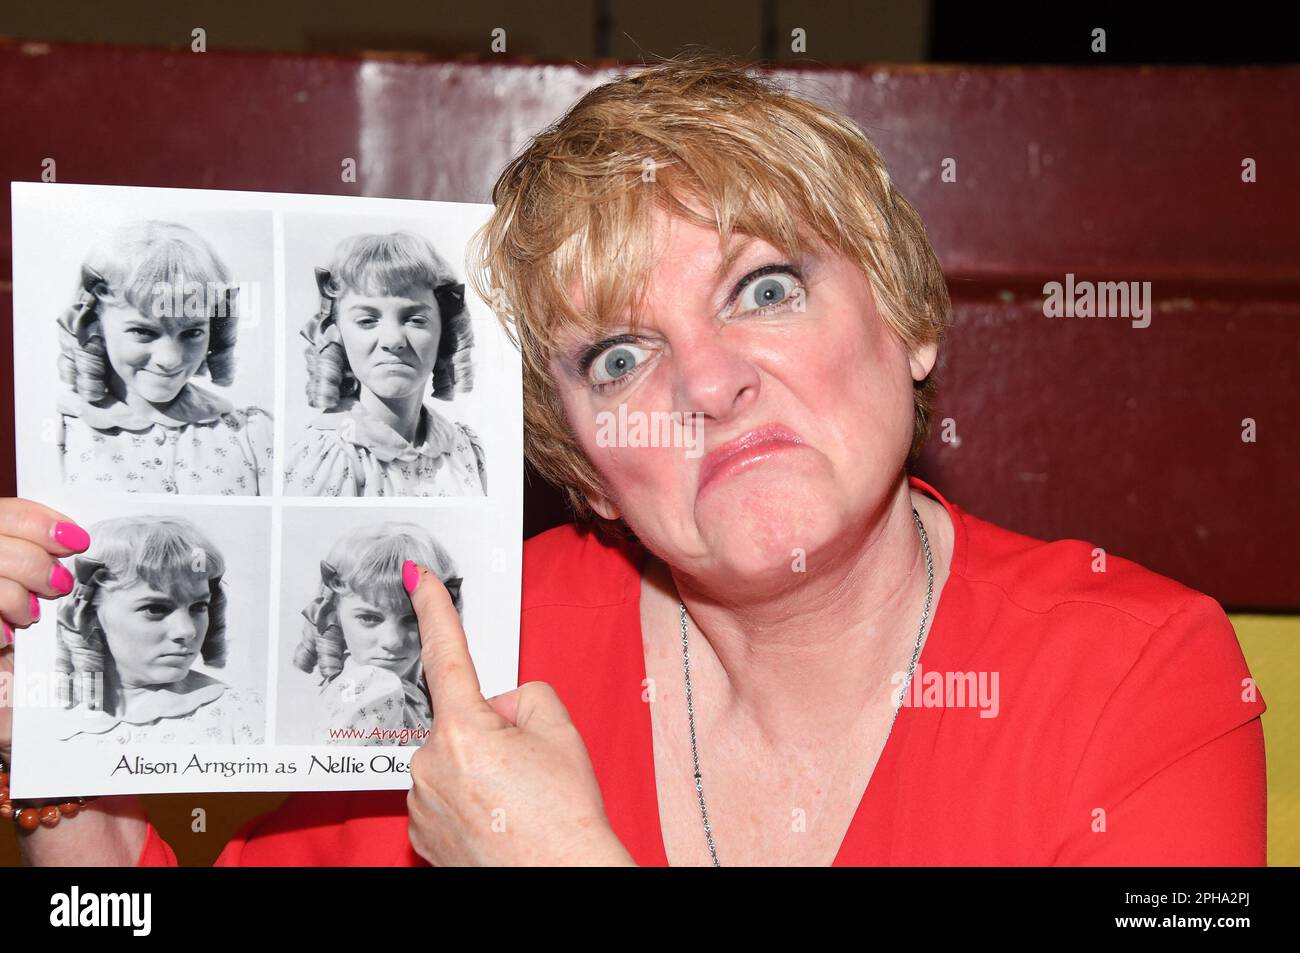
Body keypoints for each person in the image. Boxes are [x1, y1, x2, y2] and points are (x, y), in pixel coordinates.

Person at [1, 55, 1266, 865]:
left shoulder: (1146, 672)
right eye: (617, 355)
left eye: (763, 287)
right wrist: (84, 820)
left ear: (910, 317)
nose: (708, 383)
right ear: (589, 471)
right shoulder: (462, 649)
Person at [55, 220, 273, 495]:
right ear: (92, 323)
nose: (170, 359)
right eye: (143, 331)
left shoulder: (248, 433)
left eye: (192, 332)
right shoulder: (64, 432)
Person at [282, 232, 488, 497]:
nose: (393, 341)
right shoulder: (329, 455)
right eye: (367, 321)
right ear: (336, 333)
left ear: (443, 332)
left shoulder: (463, 448)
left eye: (414, 319)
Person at [49, 515, 263, 746]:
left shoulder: (243, 715)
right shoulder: (43, 726)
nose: (187, 630)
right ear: (85, 615)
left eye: (198, 607)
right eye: (155, 608)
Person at [291, 522, 463, 747]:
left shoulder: (413, 690)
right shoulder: (375, 688)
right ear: (332, 615)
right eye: (369, 618)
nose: (392, 641)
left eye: (413, 618)